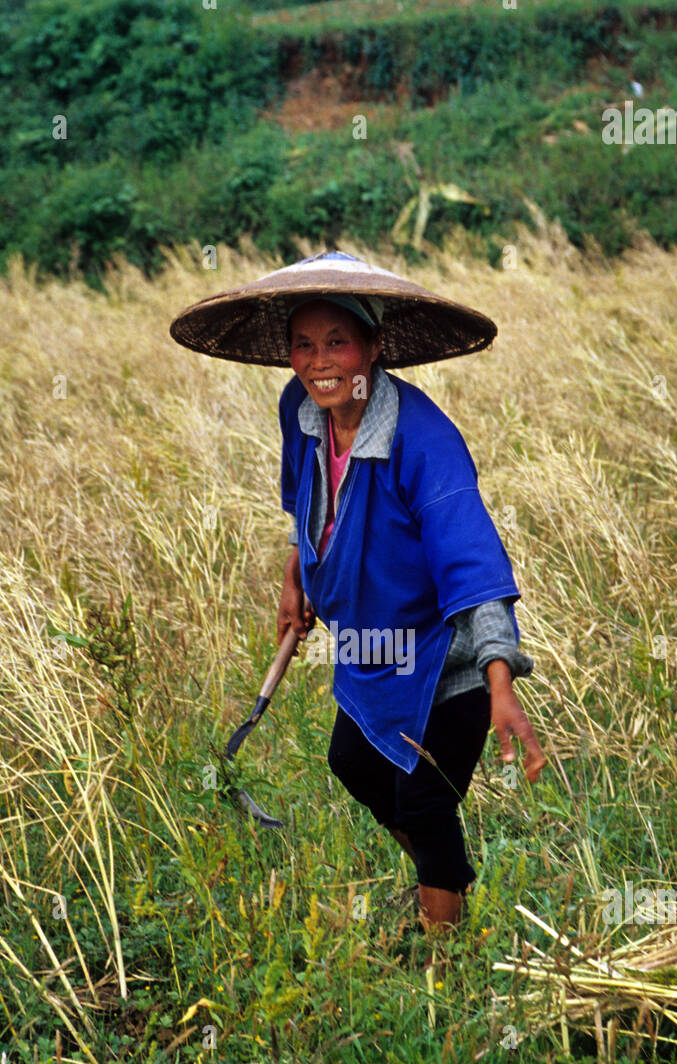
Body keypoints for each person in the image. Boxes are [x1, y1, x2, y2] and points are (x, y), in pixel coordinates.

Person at [169, 251, 546, 947]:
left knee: (426, 800)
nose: (320, 362)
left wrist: (501, 682)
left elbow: (472, 560)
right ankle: (448, 884)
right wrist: (297, 572)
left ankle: (445, 961)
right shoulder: (301, 411)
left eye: (337, 342)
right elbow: (304, 503)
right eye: (304, 344)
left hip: (447, 653)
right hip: (372, 645)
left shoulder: (423, 440)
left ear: (374, 347)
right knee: (353, 761)